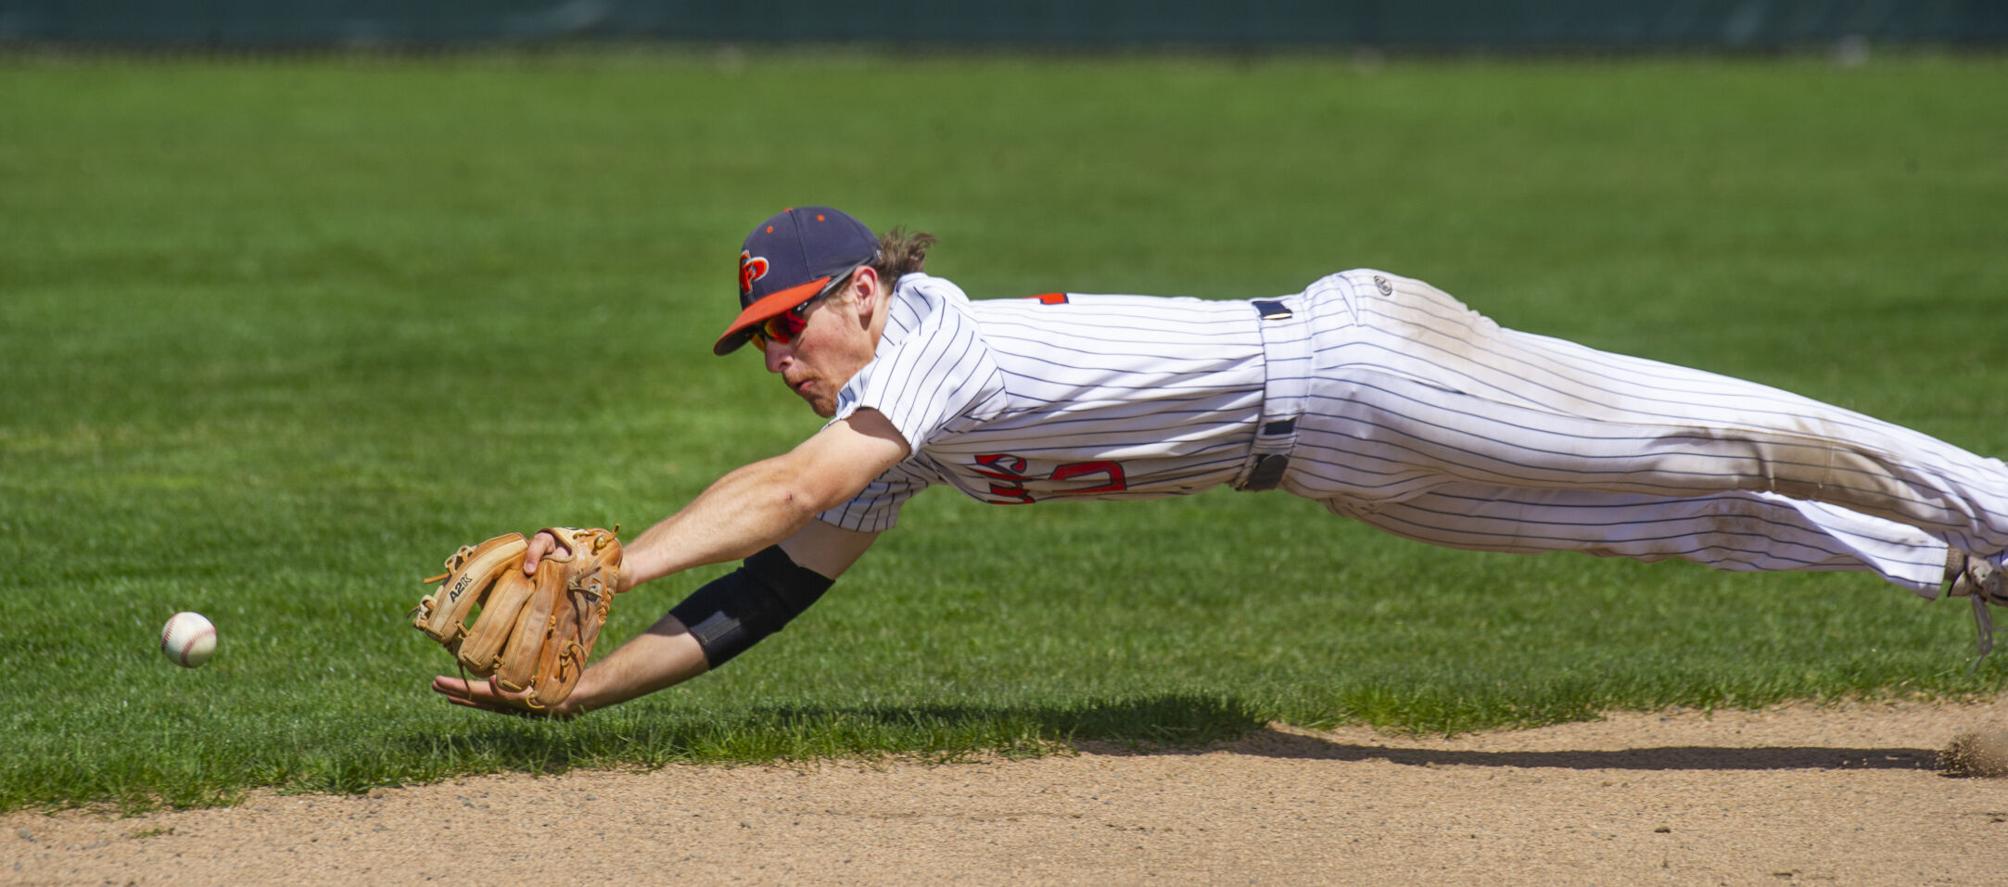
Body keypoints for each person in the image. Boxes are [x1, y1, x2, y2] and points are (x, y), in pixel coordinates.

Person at [434, 206, 2008, 717]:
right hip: (1339, 467)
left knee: (1709, 435)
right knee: (1670, 525)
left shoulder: (932, 342)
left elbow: (791, 494)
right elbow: (780, 583)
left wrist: (608, 561)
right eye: (763, 345)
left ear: (864, 294)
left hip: (1358, 366)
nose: (786, 357)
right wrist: (582, 684)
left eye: (796, 326)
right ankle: (1966, 563)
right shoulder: (900, 430)